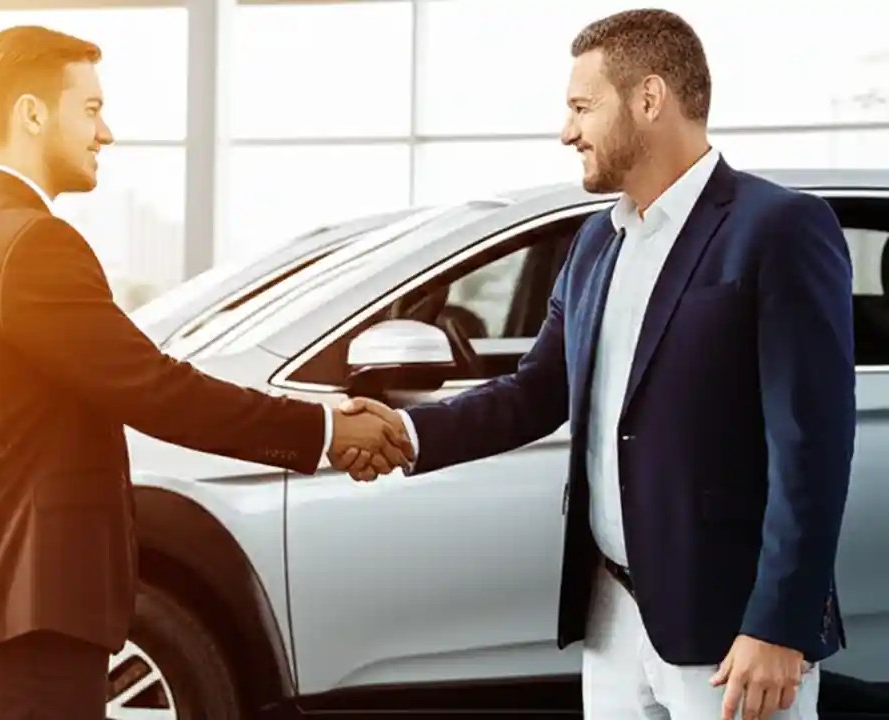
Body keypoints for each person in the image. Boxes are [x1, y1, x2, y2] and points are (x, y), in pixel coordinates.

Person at [338, 9, 854, 720]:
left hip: (728, 630)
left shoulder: (778, 229)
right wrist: (407, 432)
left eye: (583, 106)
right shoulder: (594, 245)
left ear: (649, 99)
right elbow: (535, 390)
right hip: (613, 615)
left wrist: (779, 623)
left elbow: (813, 447)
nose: (567, 130)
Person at [0, 25, 413, 720]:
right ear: (31, 114)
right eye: (90, 108)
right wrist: (322, 428)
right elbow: (154, 387)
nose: (104, 132)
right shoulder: (31, 242)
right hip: (17, 614)